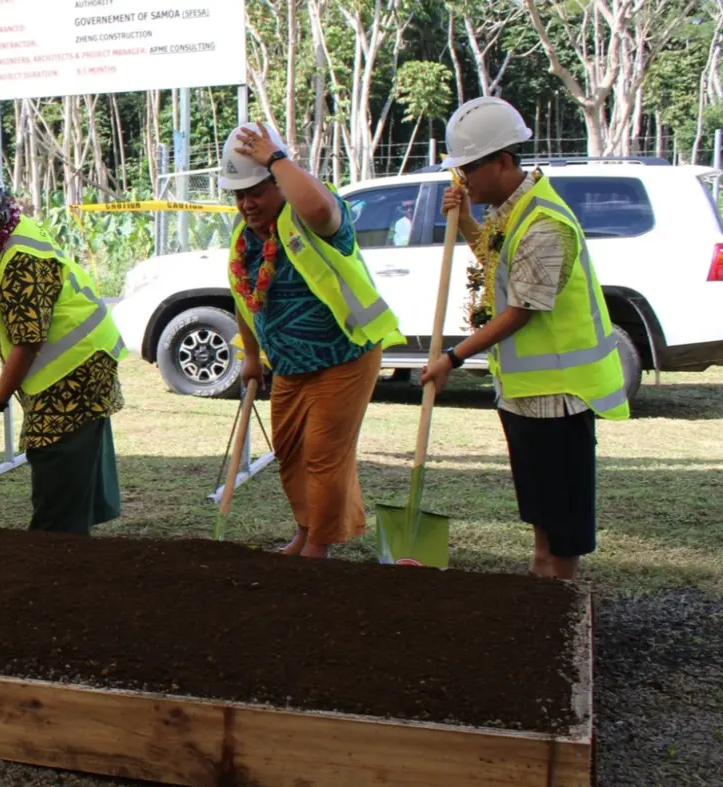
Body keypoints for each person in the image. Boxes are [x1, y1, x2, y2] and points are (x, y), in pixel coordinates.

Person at [420, 97, 630, 580]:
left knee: (563, 520)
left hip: (560, 398)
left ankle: (562, 604)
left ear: (504, 161)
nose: (463, 179)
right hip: (524, 396)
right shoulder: (509, 213)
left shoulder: (544, 224)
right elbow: (495, 260)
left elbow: (521, 311)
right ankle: (542, 584)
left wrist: (453, 357)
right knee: (540, 508)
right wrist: (469, 222)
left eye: (469, 168)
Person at [219, 123, 404, 558]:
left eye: (256, 192)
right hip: (288, 365)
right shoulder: (245, 238)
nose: (246, 204)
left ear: (279, 183)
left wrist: (275, 159)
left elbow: (321, 210)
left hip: (343, 357)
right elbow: (244, 297)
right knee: (291, 453)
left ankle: (318, 548)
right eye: (238, 195)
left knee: (323, 455)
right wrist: (250, 355)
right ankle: (305, 531)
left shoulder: (312, 218)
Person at [0, 156, 125, 535]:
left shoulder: (21, 257)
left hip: (78, 372)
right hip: (69, 369)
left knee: (56, 467)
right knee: (63, 472)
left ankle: (58, 555)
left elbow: (28, 340)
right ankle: (68, 545)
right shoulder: (6, 235)